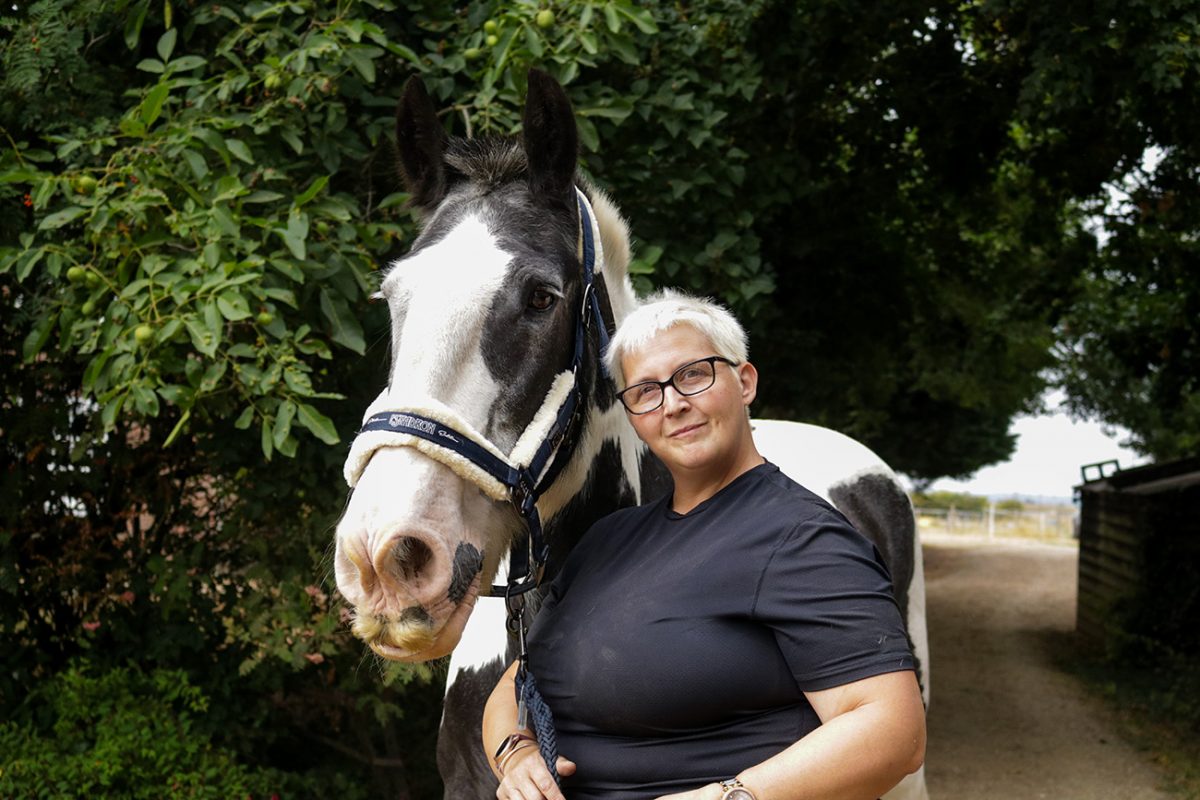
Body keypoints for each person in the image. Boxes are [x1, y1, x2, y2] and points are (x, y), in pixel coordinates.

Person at [482, 290, 926, 800]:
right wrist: (514, 754)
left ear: (744, 381)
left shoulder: (803, 539)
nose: (673, 404)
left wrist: (724, 797)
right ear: (633, 416)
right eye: (646, 391)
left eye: (693, 374)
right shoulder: (608, 539)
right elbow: (516, 681)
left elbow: (895, 733)